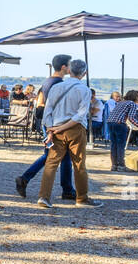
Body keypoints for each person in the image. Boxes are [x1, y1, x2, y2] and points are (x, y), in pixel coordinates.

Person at [38, 58, 103, 208]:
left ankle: (44, 196)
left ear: (69, 70)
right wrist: (62, 128)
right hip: (75, 129)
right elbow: (80, 115)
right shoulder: (85, 90)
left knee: (51, 163)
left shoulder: (56, 88)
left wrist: (51, 129)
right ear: (84, 73)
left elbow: (48, 111)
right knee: (79, 164)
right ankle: (82, 198)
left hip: (55, 127)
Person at [15, 55, 75, 200]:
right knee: (55, 155)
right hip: (55, 124)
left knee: (60, 156)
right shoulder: (59, 83)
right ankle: (25, 178)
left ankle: (67, 189)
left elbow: (42, 103)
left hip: (50, 123)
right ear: (63, 67)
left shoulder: (47, 82)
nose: (71, 68)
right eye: (69, 65)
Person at [107, 89, 138, 171]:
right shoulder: (132, 104)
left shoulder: (121, 102)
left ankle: (114, 165)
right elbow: (131, 118)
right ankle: (121, 166)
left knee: (114, 145)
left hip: (110, 123)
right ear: (135, 97)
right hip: (119, 124)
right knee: (120, 146)